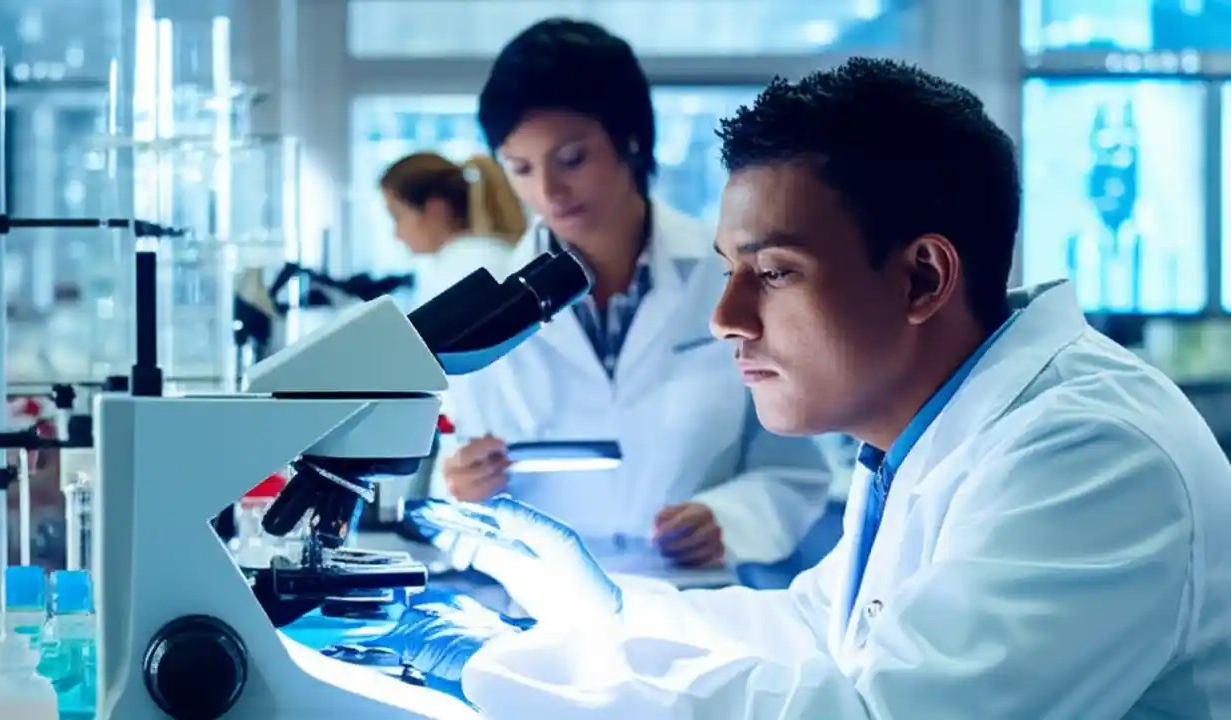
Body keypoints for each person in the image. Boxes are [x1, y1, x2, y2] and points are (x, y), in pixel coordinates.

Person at [374, 58, 1231, 717]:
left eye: (774, 272)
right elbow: (821, 632)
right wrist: (606, 609)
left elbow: (876, 713)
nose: (725, 318)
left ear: (923, 278)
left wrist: (508, 670)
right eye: (727, 271)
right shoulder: (931, 434)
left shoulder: (1088, 454)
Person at [437, 18, 833, 570]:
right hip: (535, 605)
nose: (548, 192)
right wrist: (461, 488)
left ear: (630, 139)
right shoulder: (483, 308)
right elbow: (442, 498)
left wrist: (731, 520)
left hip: (691, 598)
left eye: (571, 159)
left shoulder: (727, 278)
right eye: (521, 169)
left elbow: (795, 468)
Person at [379, 152, 527, 305]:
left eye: (397, 216)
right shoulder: (450, 264)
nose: (397, 234)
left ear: (435, 209)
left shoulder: (468, 269)